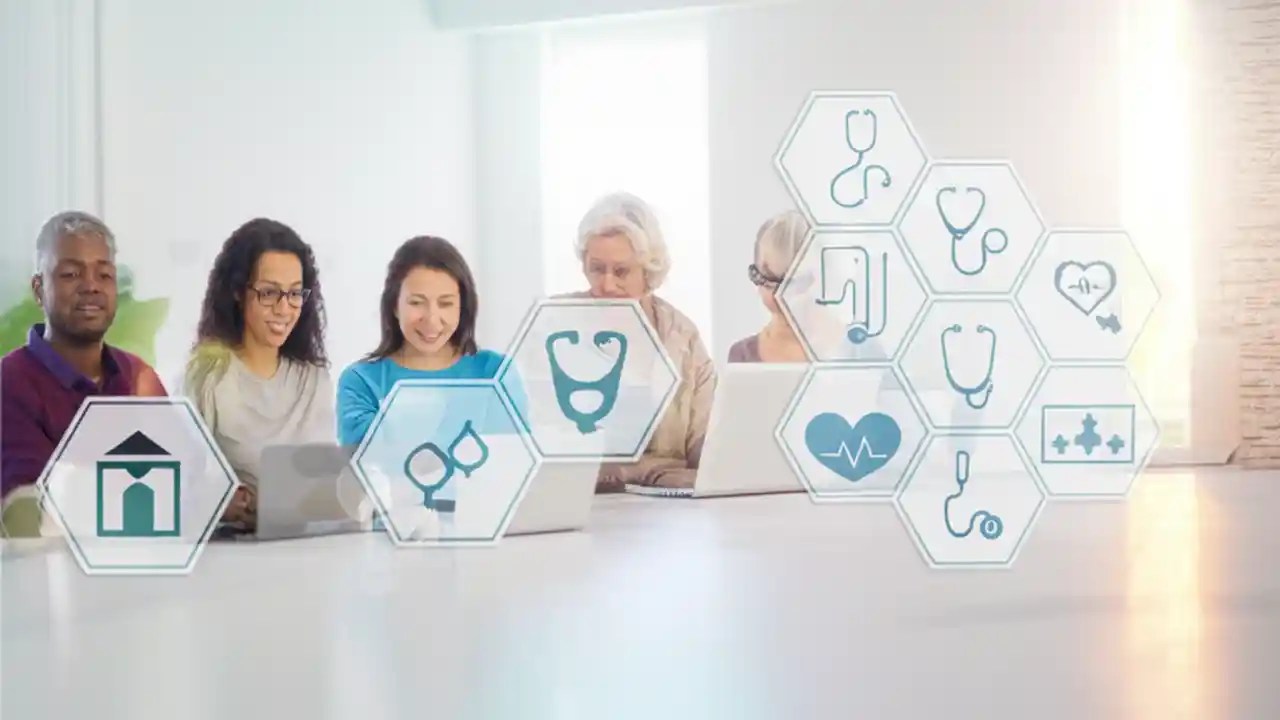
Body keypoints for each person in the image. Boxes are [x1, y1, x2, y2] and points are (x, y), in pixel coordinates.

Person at [0, 211, 167, 537]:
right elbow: (29, 511)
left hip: (146, 566)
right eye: (71, 274)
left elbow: (185, 476)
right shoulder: (11, 382)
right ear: (38, 289)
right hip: (51, 576)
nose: (90, 286)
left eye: (104, 275)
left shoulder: (137, 376)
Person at [183, 218, 334, 531]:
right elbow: (182, 485)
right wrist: (221, 505)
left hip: (310, 548)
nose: (284, 309)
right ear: (238, 292)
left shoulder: (313, 378)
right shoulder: (210, 374)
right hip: (232, 554)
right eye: (269, 293)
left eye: (295, 294)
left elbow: (328, 482)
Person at [563, 191, 716, 492]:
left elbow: (707, 444)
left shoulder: (681, 336)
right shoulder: (557, 326)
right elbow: (542, 443)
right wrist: (645, 471)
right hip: (582, 508)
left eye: (621, 271)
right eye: (597, 268)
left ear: (649, 271)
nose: (607, 284)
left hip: (670, 514)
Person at [337, 236, 507, 448]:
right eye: (417, 302)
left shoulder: (496, 371)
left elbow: (510, 460)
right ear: (394, 306)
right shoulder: (361, 381)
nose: (431, 319)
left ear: (462, 307)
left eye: (445, 303)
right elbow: (362, 463)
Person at [727, 209, 811, 363]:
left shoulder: (853, 347)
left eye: (796, 284)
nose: (783, 296)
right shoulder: (742, 356)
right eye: (770, 280)